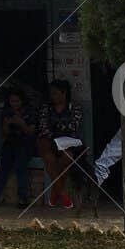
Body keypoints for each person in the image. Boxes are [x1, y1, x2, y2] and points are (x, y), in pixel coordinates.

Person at [34, 79, 84, 209]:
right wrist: (56, 133)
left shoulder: (74, 107)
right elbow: (43, 126)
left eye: (55, 93)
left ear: (64, 93)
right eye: (51, 94)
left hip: (67, 142)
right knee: (49, 157)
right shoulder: (46, 107)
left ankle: (56, 191)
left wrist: (58, 129)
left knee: (67, 157)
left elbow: (73, 126)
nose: (53, 97)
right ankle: (61, 193)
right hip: (50, 142)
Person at [0, 86, 35, 208]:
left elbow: (31, 132)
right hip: (10, 143)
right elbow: (3, 134)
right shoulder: (6, 112)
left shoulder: (29, 112)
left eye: (17, 101)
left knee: (20, 166)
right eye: (12, 101)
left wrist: (21, 123)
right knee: (4, 168)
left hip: (25, 143)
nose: (14, 104)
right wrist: (7, 124)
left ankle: (23, 198)